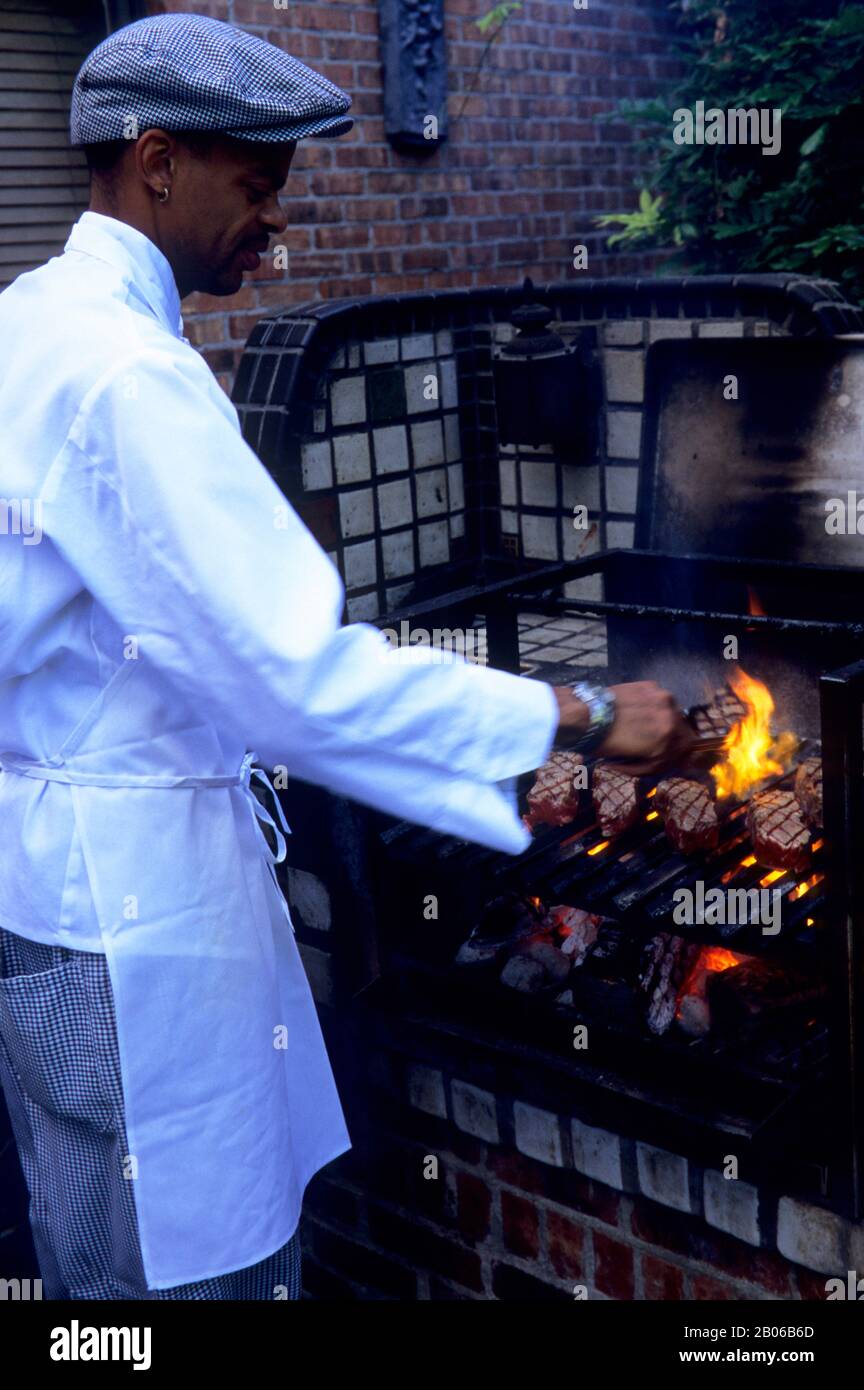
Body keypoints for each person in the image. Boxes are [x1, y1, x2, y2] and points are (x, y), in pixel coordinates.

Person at [0, 13, 692, 1300]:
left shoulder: (32, 322)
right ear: (157, 161)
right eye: (257, 189)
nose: (278, 225)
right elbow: (293, 679)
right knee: (188, 1284)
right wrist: (579, 713)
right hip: (135, 926)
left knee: (92, 1273)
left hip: (59, 901)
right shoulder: (122, 375)